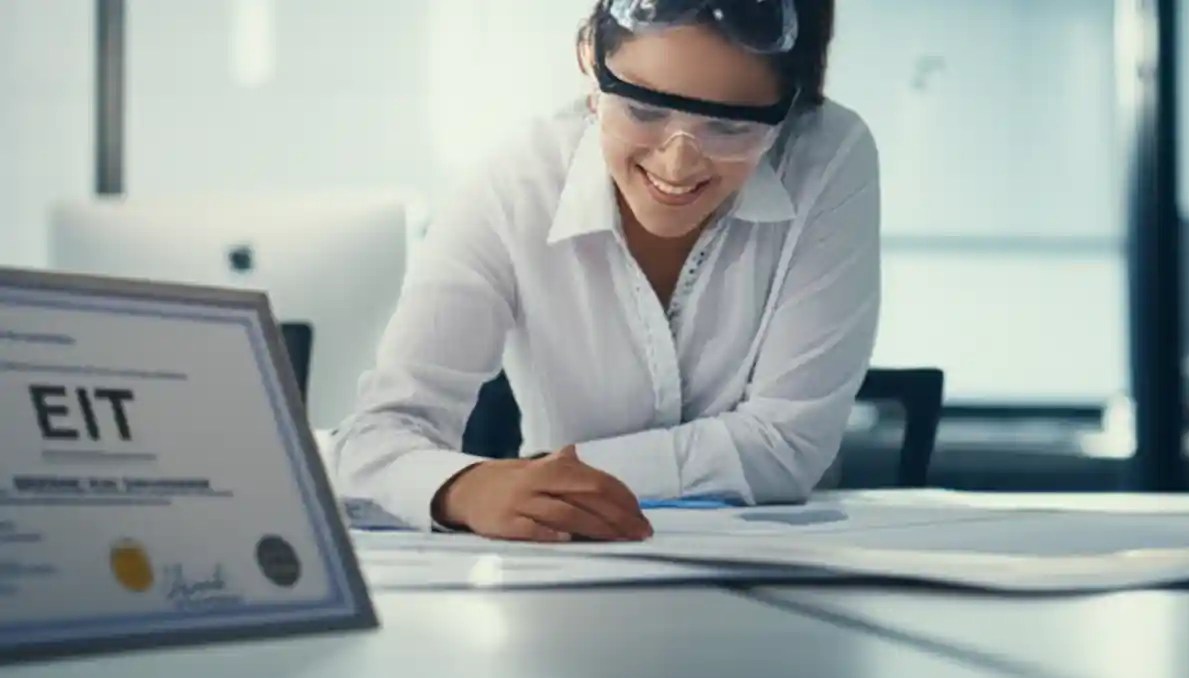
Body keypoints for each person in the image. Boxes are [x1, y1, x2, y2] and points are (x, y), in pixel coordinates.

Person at [333, 0, 880, 543]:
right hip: (563, 559)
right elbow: (375, 440)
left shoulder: (828, 156)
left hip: (774, 563)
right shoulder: (517, 184)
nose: (677, 164)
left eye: (729, 127)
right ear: (590, 63)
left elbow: (786, 447)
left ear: (789, 113)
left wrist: (549, 477)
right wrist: (467, 488)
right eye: (643, 111)